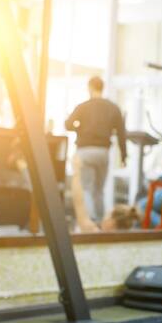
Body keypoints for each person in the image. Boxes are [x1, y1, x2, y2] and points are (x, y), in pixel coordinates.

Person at [64, 76, 127, 222]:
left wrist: (79, 128)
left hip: (85, 151)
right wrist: (124, 156)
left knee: (86, 187)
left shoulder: (83, 106)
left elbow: (67, 124)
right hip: (103, 152)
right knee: (99, 190)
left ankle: (90, 221)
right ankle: (102, 221)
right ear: (102, 88)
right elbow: (121, 134)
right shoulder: (113, 107)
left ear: (90, 87)